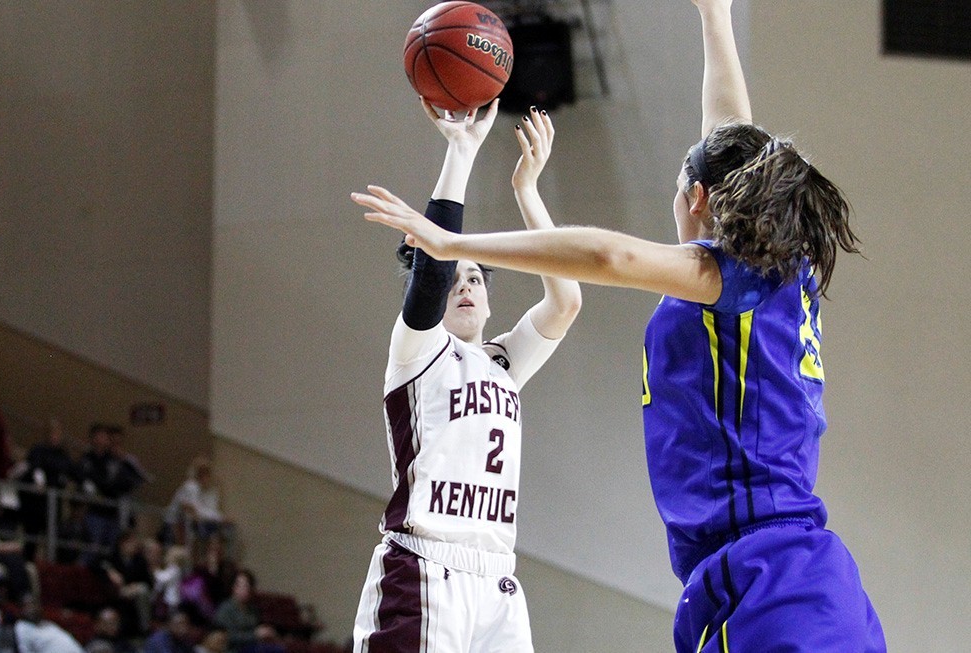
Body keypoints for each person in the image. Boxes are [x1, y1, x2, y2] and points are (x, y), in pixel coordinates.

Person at [351, 1, 887, 651]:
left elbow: (611, 258)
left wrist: (450, 240)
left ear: (697, 198)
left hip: (763, 578)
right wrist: (714, 18)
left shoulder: (729, 274)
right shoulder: (776, 266)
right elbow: (732, 138)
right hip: (799, 572)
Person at [351, 96, 581, 653]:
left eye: (475, 278)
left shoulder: (503, 363)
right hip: (424, 569)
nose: (465, 286)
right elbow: (432, 271)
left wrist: (527, 192)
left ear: (489, 299)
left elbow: (566, 300)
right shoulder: (418, 349)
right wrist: (462, 149)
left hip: (497, 580)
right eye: (455, 279)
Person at [75, 423, 145, 561]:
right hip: (95, 511)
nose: (103, 440)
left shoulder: (114, 460)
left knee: (111, 550)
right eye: (100, 436)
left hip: (113, 511)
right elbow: (84, 478)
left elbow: (127, 480)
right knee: (93, 547)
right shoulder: (87, 459)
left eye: (105, 437)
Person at [19, 417, 76, 561]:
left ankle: (49, 563)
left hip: (54, 503)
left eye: (58, 433)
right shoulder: (38, 450)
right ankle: (28, 561)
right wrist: (39, 479)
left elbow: (72, 471)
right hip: (36, 502)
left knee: (52, 536)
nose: (55, 437)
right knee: (32, 535)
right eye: (52, 433)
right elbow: (34, 467)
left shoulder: (63, 454)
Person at [163, 457, 232, 546]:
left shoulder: (200, 489)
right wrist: (220, 518)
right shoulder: (191, 487)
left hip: (181, 525)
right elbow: (193, 509)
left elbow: (203, 509)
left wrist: (219, 517)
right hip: (173, 526)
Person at [12, 593, 86, 653]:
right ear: (21, 609)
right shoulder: (22, 627)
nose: (32, 608)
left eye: (34, 604)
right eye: (28, 605)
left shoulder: (48, 623)